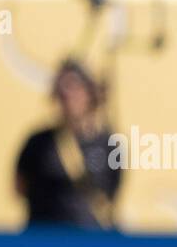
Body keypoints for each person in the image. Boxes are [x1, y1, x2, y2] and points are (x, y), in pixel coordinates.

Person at [15, 58, 121, 229]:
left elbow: (112, 193)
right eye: (62, 88)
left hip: (89, 243)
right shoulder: (39, 143)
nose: (67, 95)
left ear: (89, 92)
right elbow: (19, 187)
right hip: (45, 240)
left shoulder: (109, 145)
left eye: (74, 87)